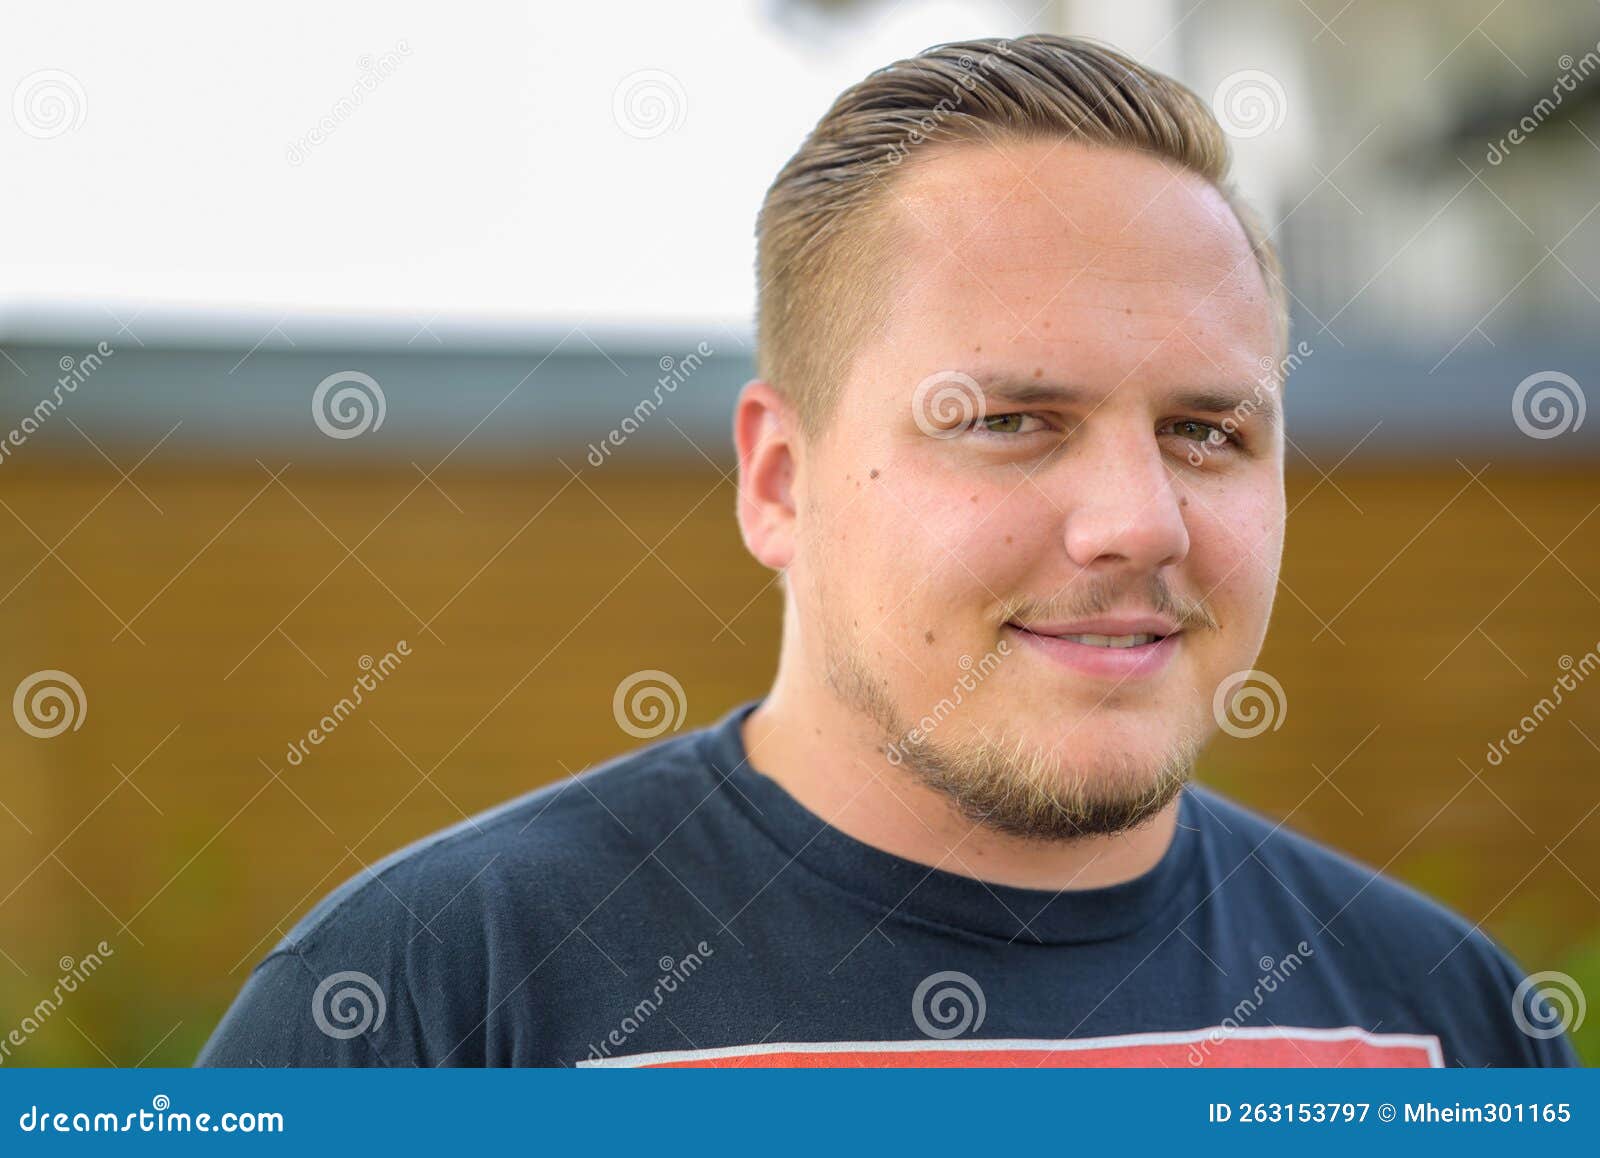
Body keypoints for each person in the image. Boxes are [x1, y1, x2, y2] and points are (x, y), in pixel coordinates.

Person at [197, 33, 1578, 1068]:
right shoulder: (433, 1003)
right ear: (781, 480)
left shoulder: (1444, 1031)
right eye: (1014, 420)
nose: (1142, 520)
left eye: (1208, 432)